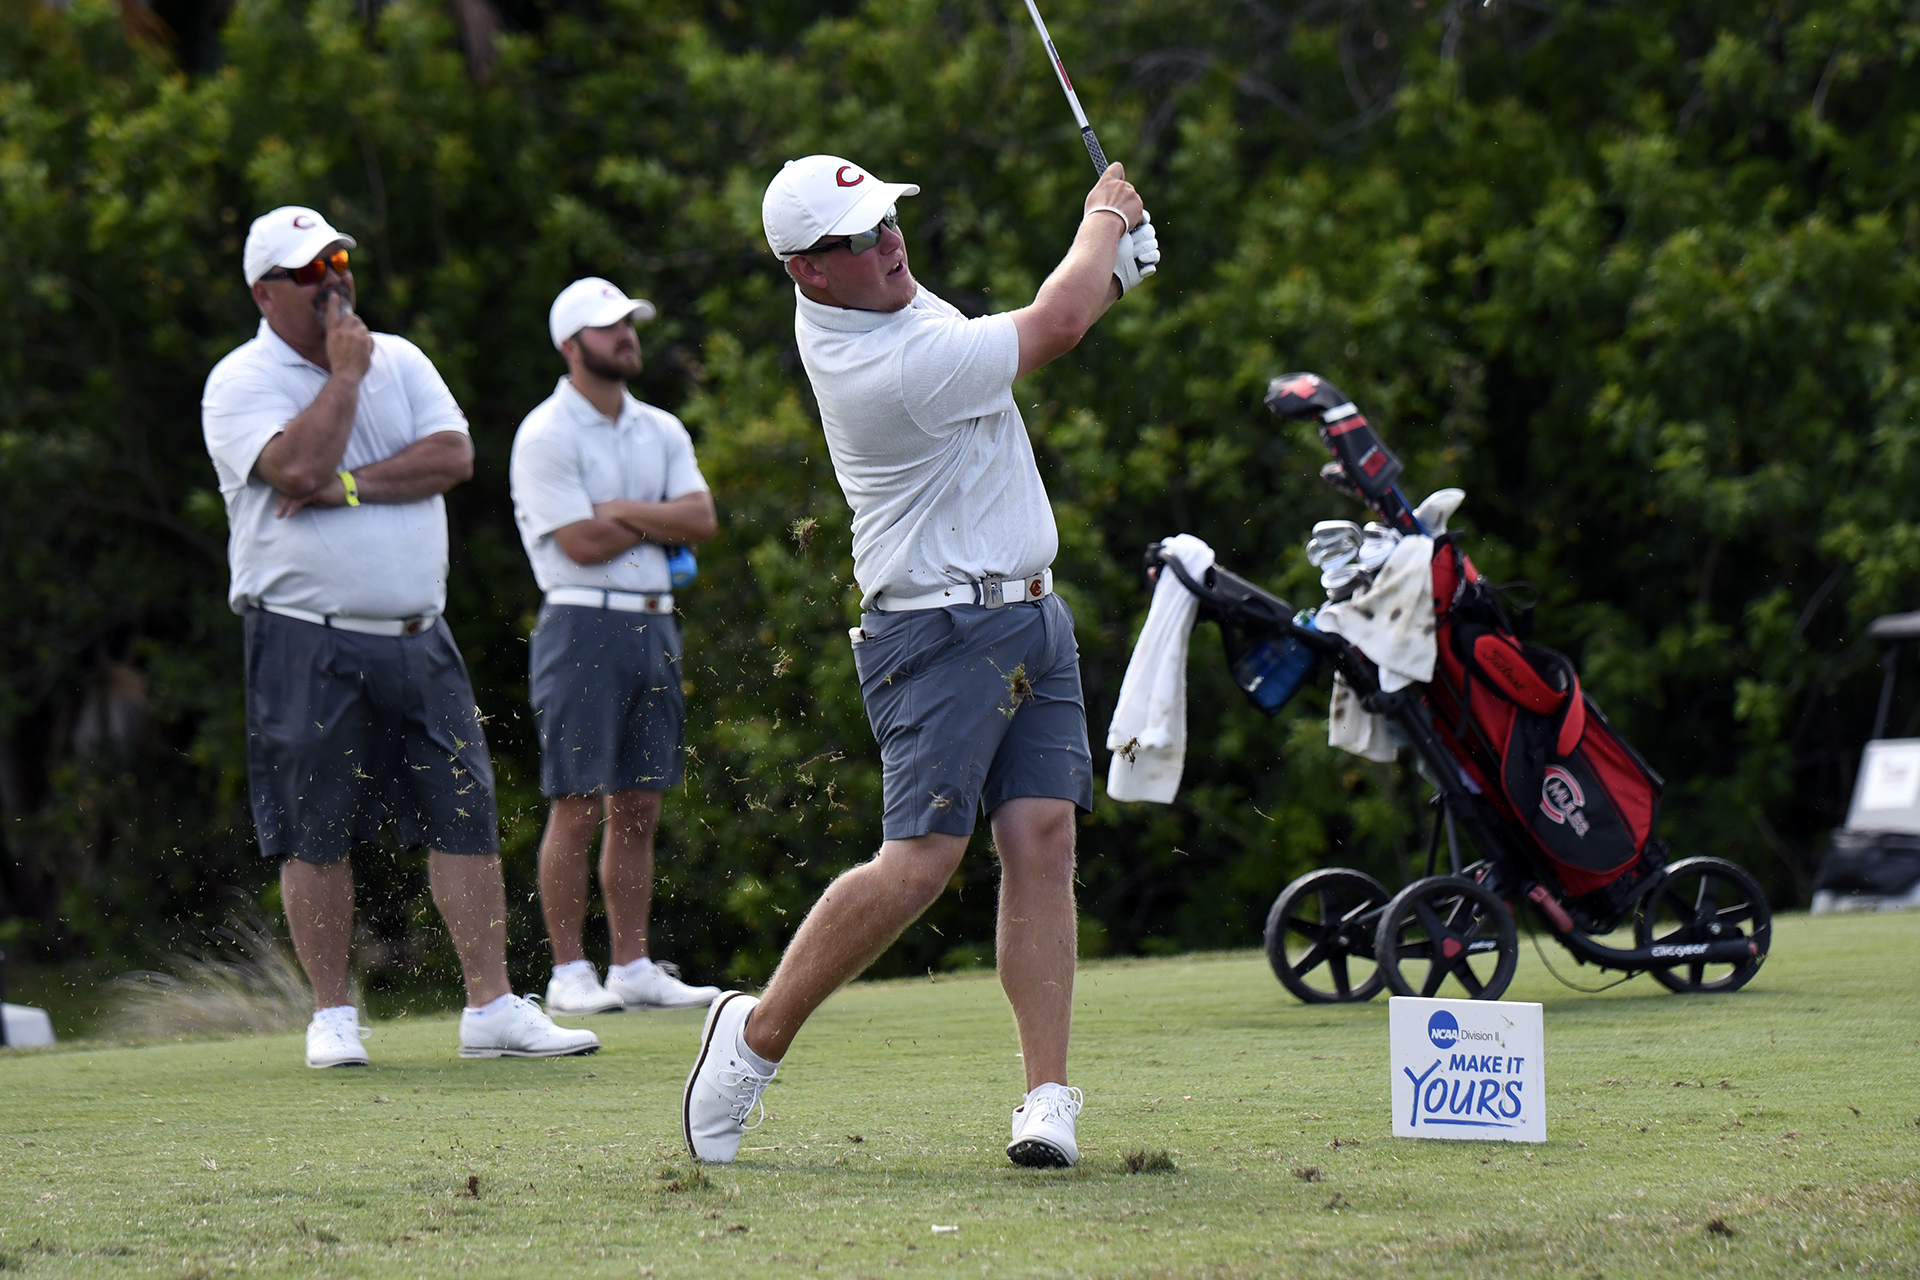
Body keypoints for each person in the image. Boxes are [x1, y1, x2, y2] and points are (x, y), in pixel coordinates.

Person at [682, 156, 1160, 1167]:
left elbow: (1058, 311)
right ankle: (753, 1038)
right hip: (936, 633)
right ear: (810, 271)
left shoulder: (893, 299)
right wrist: (1106, 224)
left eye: (889, 219)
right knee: (920, 866)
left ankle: (1044, 1097)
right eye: (861, 238)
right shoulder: (878, 366)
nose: (891, 242)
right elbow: (1054, 325)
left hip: (1032, 616)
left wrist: (1111, 268)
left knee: (1044, 840)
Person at [201, 206, 600, 1068]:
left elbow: (451, 457)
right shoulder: (240, 382)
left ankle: (490, 1007)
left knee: (465, 814)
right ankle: (333, 1016)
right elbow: (292, 467)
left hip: (420, 632)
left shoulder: (405, 358)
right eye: (309, 271)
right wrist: (342, 380)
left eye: (338, 261)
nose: (332, 280)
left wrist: (346, 485)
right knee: (316, 828)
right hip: (304, 634)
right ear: (266, 293)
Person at [508, 278, 722, 1015]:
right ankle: (570, 973)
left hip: (654, 619)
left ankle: (631, 965)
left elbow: (698, 517)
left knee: (639, 804)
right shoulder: (545, 433)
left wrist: (625, 511)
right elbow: (580, 540)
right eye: (609, 328)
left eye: (629, 324)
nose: (626, 336)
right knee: (577, 803)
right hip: (579, 622)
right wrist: (650, 520)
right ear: (572, 346)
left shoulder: (659, 428)